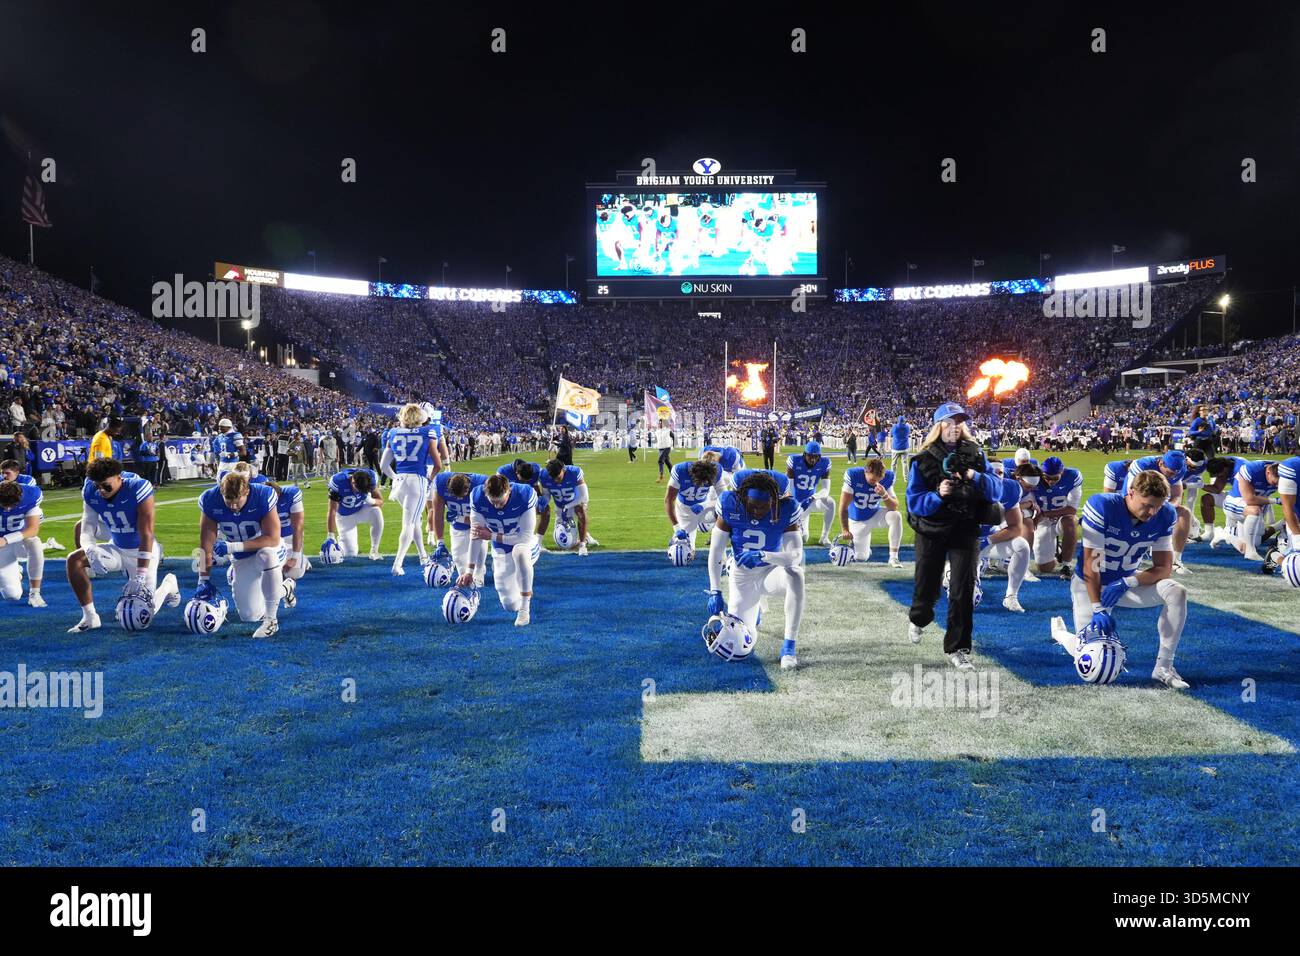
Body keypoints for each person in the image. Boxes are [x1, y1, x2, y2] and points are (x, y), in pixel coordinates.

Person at [1056, 469, 1190, 689]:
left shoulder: (1165, 514)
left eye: (1157, 506)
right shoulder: (1103, 506)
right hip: (1090, 584)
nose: (1152, 512)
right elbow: (1093, 564)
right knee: (1088, 653)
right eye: (1146, 505)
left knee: (1176, 591)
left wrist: (1129, 582)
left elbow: (1164, 568)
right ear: (1130, 492)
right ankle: (1061, 634)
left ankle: (1164, 667)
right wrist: (1097, 607)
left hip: (1125, 584)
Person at [905, 402, 1002, 672]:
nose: (955, 426)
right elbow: (914, 502)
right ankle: (918, 618)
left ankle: (958, 648)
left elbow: (996, 491)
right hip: (932, 531)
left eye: (959, 421)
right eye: (949, 422)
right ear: (939, 427)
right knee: (926, 589)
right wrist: (938, 495)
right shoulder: (923, 459)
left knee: (963, 590)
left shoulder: (976, 454)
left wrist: (973, 475)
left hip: (964, 528)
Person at [65, 458, 180, 633]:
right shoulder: (90, 490)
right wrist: (90, 549)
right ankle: (90, 617)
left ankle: (168, 584)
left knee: (142, 619)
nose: (101, 490)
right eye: (98, 486)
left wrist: (140, 577)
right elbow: (86, 528)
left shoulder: (137, 488)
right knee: (74, 560)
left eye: (106, 485)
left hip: (143, 552)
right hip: (117, 547)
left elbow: (146, 535)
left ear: (119, 478)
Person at [706, 470, 806, 670]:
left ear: (775, 501)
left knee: (796, 574)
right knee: (741, 644)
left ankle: (789, 647)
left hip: (771, 571)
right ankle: (755, 608)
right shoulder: (730, 503)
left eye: (764, 506)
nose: (759, 511)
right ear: (743, 499)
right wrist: (715, 590)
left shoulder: (786, 508)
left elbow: (796, 556)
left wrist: (764, 555)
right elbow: (716, 550)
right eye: (753, 506)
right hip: (742, 576)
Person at [197, 471, 285, 638]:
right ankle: (283, 589)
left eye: (237, 501)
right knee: (249, 615)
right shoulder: (210, 499)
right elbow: (205, 544)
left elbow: (272, 539)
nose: (233, 506)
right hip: (241, 557)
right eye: (228, 501)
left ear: (247, 492)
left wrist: (232, 546)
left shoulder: (262, 495)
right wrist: (203, 579)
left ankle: (271, 620)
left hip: (268, 549)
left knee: (267, 555)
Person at [463, 473, 538, 627]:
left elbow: (524, 537)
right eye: (493, 502)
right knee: (509, 604)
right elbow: (476, 535)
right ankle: (521, 586)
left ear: (509, 491)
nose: (497, 506)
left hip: (526, 544)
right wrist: (469, 571)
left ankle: (525, 607)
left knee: (520, 553)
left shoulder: (524, 495)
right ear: (485, 493)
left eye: (500, 502)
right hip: (501, 550)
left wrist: (491, 535)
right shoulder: (477, 497)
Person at [379, 403, 443, 576]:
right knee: (409, 522)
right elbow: (438, 464)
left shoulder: (392, 433)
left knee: (414, 520)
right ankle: (397, 564)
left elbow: (383, 465)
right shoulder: (428, 432)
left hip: (399, 482)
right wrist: (429, 481)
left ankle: (423, 556)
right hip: (417, 480)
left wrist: (395, 477)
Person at [837, 457, 903, 567]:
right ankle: (865, 548)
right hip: (858, 520)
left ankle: (894, 557)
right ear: (866, 472)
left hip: (875, 514)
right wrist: (845, 529)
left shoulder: (888, 478)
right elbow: (843, 507)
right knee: (861, 557)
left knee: (895, 516)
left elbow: (894, 506)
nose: (875, 483)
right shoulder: (854, 476)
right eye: (872, 480)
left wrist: (884, 495)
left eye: (878, 480)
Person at [429, 470, 489, 586]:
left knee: (477, 562)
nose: (460, 499)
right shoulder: (441, 483)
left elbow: (486, 520)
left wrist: (459, 518)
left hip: (478, 527)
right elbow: (438, 514)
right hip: (458, 527)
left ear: (468, 489)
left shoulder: (482, 485)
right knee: (458, 558)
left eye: (462, 496)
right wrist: (440, 541)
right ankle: (468, 578)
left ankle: (479, 571)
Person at [0, 460, 47, 605]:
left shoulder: (30, 494)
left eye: (11, 505)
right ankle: (14, 572)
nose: (7, 509)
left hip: (18, 539)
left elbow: (33, 529)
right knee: (12, 595)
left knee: (35, 543)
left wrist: (6, 539)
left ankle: (35, 594)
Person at [324, 467, 386, 559]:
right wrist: (330, 536)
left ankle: (374, 551)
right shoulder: (338, 481)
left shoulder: (371, 478)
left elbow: (380, 502)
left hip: (361, 510)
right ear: (353, 482)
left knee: (376, 511)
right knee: (351, 553)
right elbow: (332, 510)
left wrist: (371, 501)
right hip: (344, 516)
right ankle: (340, 543)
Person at [787, 441, 834, 546]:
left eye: (815, 457)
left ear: (819, 457)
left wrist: (813, 497)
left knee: (830, 503)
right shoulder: (794, 461)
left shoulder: (824, 463)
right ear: (804, 455)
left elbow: (826, 490)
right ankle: (801, 525)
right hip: (797, 503)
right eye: (810, 456)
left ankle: (824, 537)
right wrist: (795, 506)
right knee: (803, 539)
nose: (812, 459)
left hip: (811, 501)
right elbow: (789, 488)